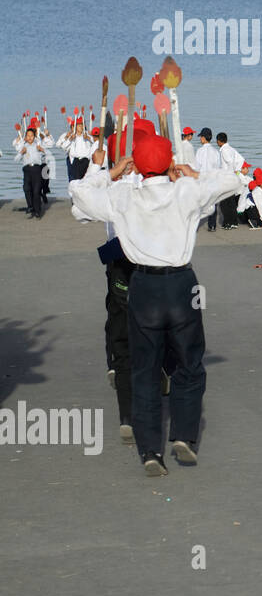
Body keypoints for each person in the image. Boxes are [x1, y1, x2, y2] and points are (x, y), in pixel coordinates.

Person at [68, 130, 243, 475]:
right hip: (180, 283)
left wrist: (109, 171)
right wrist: (194, 174)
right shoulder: (186, 190)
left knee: (144, 370)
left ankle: (150, 450)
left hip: (143, 284)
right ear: (168, 163)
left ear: (137, 165)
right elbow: (235, 180)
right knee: (189, 364)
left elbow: (79, 194)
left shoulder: (122, 194)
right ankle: (183, 436)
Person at [15, 123, 51, 218]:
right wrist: (21, 153)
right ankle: (30, 206)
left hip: (37, 170)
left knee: (36, 191)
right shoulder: (24, 147)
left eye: (32, 136)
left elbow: (48, 154)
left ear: (35, 137)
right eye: (28, 136)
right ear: (25, 137)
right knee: (26, 188)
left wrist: (42, 149)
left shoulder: (38, 145)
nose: (30, 138)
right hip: (27, 170)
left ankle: (37, 211)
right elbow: (16, 159)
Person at [194, 128, 222, 231]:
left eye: (201, 137)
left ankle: (195, 224)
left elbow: (196, 167)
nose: (200, 139)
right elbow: (219, 167)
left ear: (204, 138)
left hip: (202, 180)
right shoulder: (216, 152)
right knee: (213, 202)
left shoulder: (199, 151)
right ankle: (212, 225)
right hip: (213, 180)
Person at [215, 133, 245, 230]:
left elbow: (229, 162)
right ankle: (234, 222)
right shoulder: (231, 149)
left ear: (219, 141)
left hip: (226, 178)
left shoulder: (224, 150)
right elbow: (241, 159)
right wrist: (237, 171)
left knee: (224, 202)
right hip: (232, 178)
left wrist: (230, 173)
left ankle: (227, 222)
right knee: (231, 201)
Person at [57, 117, 95, 183]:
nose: (81, 127)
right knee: (75, 182)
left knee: (86, 182)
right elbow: (63, 147)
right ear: (75, 127)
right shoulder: (71, 136)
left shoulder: (88, 135)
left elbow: (96, 143)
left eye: (82, 125)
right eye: (79, 125)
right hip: (76, 162)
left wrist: (88, 138)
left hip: (86, 162)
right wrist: (69, 139)